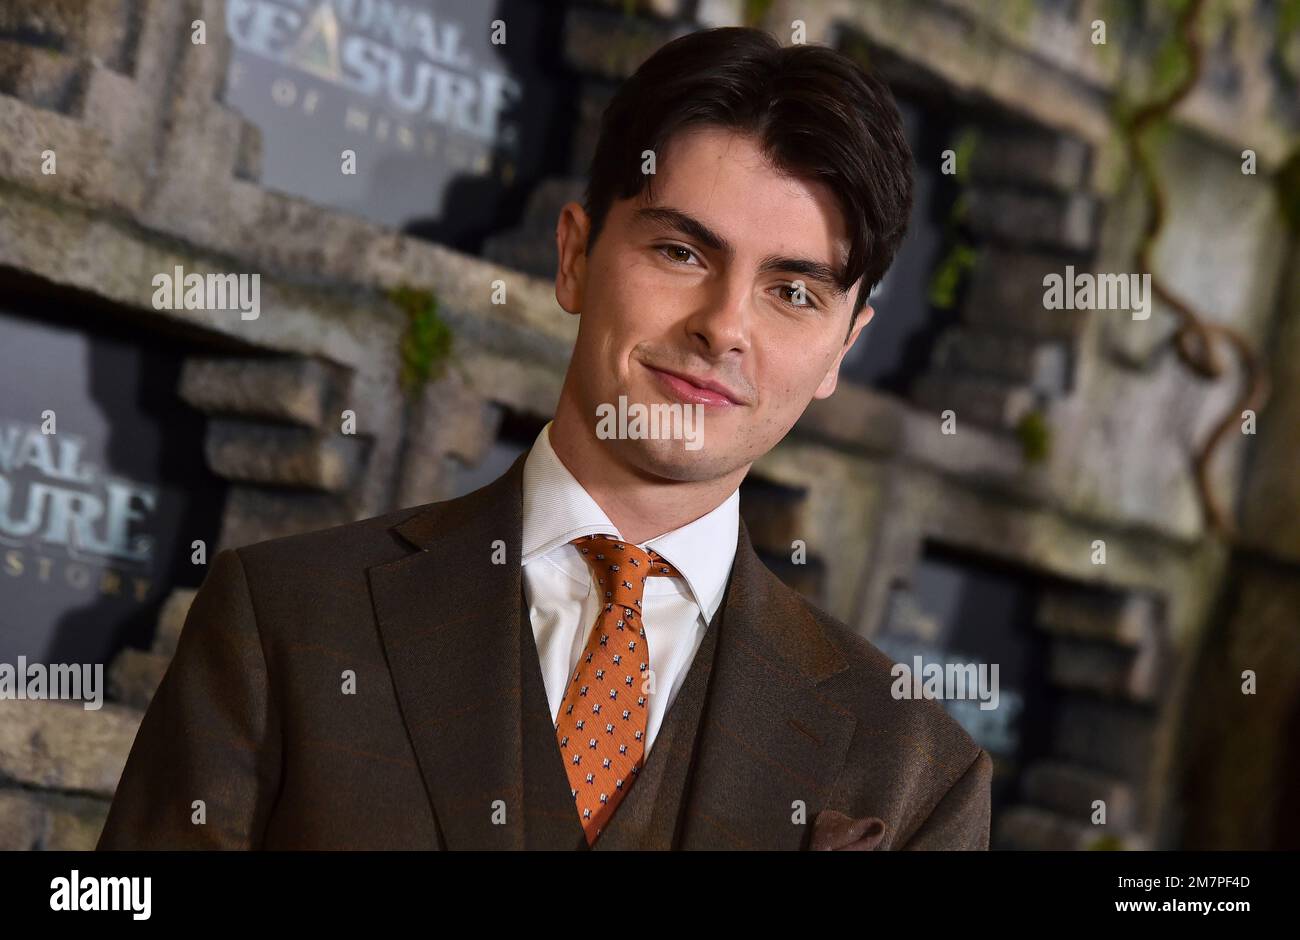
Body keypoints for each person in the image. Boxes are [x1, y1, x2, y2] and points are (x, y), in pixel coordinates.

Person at [97, 26, 991, 851]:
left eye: (793, 292)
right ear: (574, 255)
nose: (724, 328)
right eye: (682, 252)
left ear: (845, 346)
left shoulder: (915, 766)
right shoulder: (284, 619)